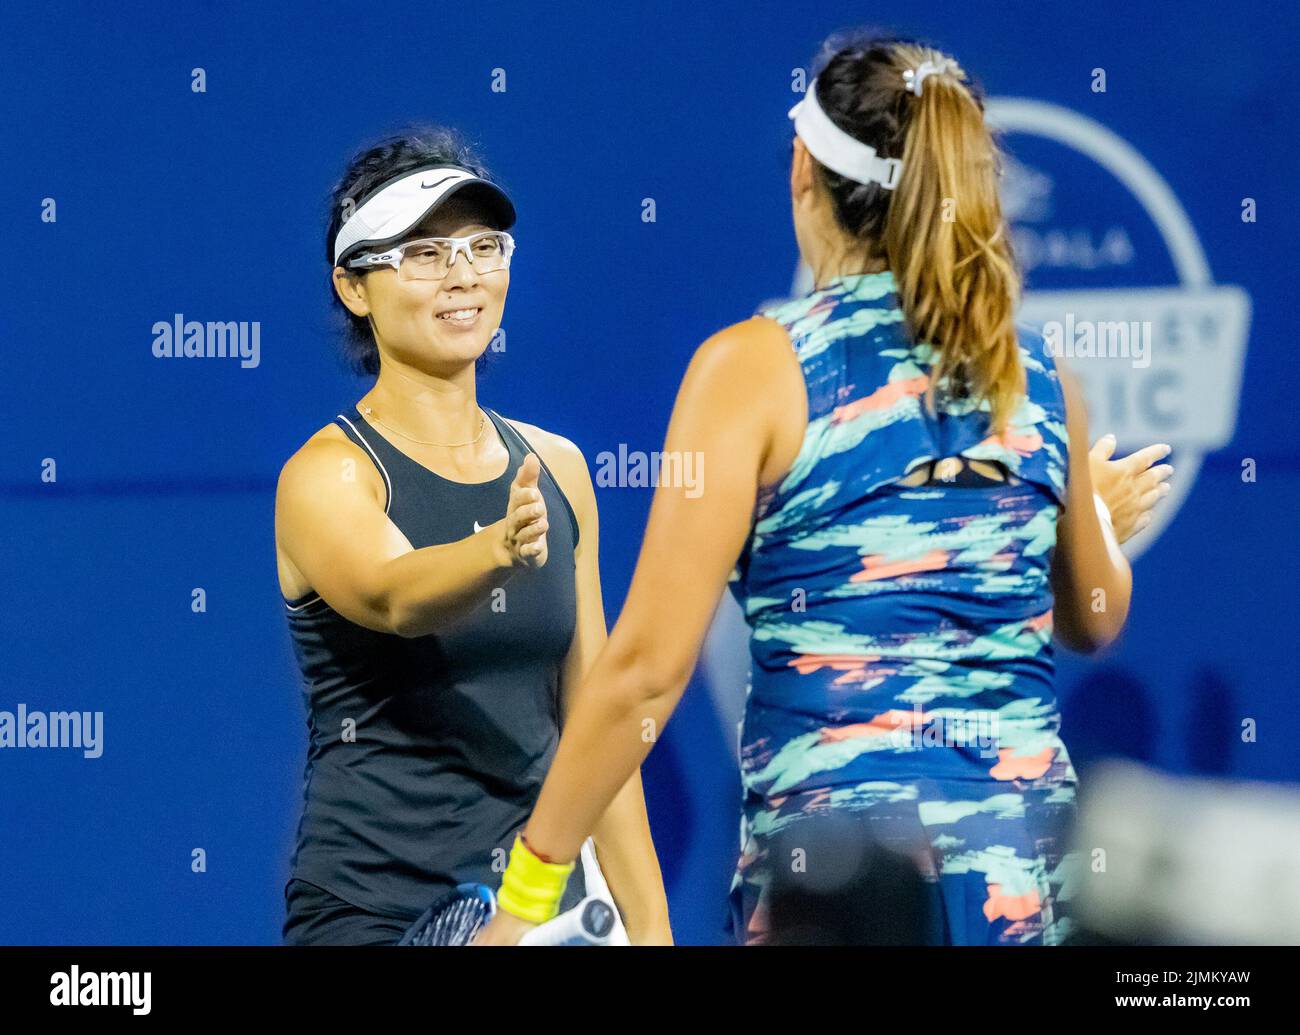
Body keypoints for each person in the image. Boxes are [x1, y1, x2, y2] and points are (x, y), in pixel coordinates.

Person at [475, 35, 1172, 945]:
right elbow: (1094, 615)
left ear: (805, 167)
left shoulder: (750, 371)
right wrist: (1095, 528)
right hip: (1028, 887)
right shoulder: (1040, 377)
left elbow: (647, 670)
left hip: (841, 892)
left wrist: (525, 894)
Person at [275, 127, 671, 944]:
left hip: (532, 913)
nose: (463, 275)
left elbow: (596, 726)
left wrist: (653, 927)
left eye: (483, 247)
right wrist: (493, 551)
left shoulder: (556, 469)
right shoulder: (325, 476)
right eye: (423, 253)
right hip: (370, 916)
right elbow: (392, 596)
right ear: (355, 287)